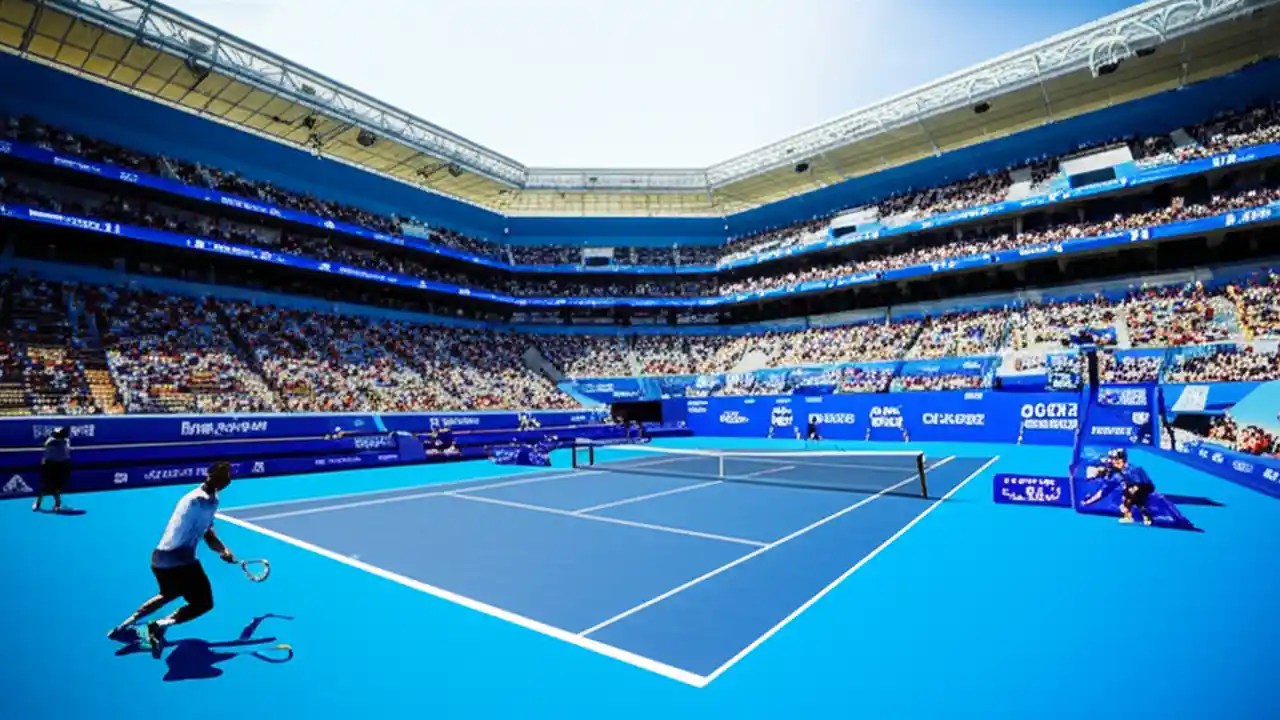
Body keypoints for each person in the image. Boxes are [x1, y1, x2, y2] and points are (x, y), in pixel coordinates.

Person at [110, 462, 237, 654]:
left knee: (168, 594)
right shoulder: (197, 501)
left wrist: (223, 550)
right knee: (203, 603)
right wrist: (221, 550)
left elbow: (208, 532)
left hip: (160, 557)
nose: (228, 480)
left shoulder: (209, 499)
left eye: (228, 476)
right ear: (210, 475)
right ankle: (158, 625)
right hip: (180, 559)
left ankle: (125, 626)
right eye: (224, 475)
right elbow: (205, 534)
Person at [1080, 448, 1156, 526]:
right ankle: (1129, 515)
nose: (1113, 462)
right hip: (1133, 489)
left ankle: (1145, 515)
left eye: (1116, 459)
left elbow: (1138, 486)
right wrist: (1088, 502)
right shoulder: (1116, 475)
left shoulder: (1132, 470)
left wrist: (1127, 501)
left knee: (1130, 492)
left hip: (1145, 486)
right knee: (1128, 491)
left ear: (1122, 460)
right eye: (1112, 459)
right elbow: (1103, 492)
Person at [33, 426, 71, 513]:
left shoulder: (66, 441)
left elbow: (67, 452)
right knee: (43, 485)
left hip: (60, 465)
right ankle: (38, 503)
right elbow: (46, 445)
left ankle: (57, 505)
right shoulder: (50, 441)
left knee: (56, 487)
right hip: (49, 464)